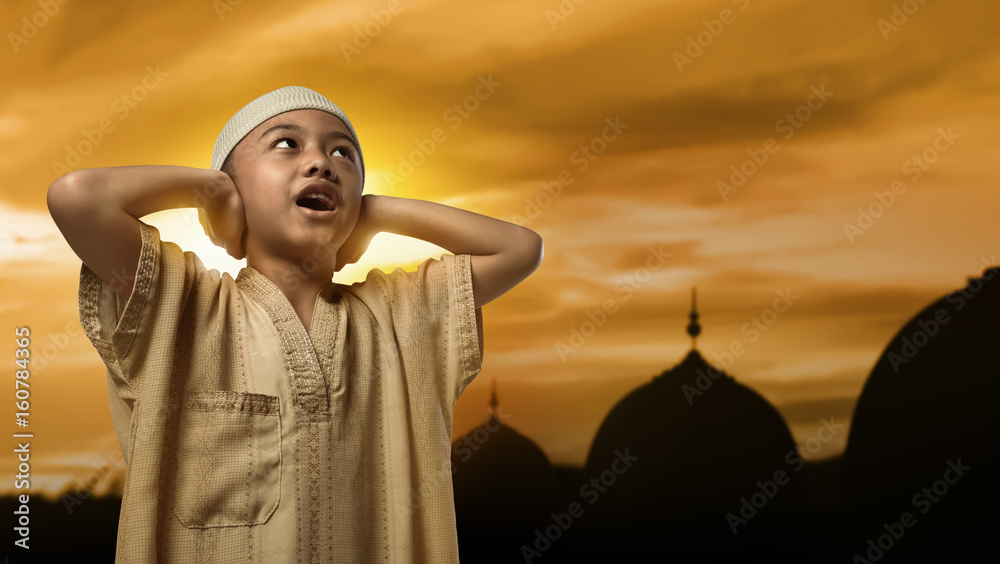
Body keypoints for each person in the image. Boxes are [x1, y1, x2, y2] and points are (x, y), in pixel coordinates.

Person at [46, 85, 543, 563]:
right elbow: (76, 198)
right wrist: (211, 188)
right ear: (235, 190)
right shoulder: (179, 307)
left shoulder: (399, 319)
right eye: (286, 144)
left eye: (344, 155)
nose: (322, 163)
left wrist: (373, 213)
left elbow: (520, 249)